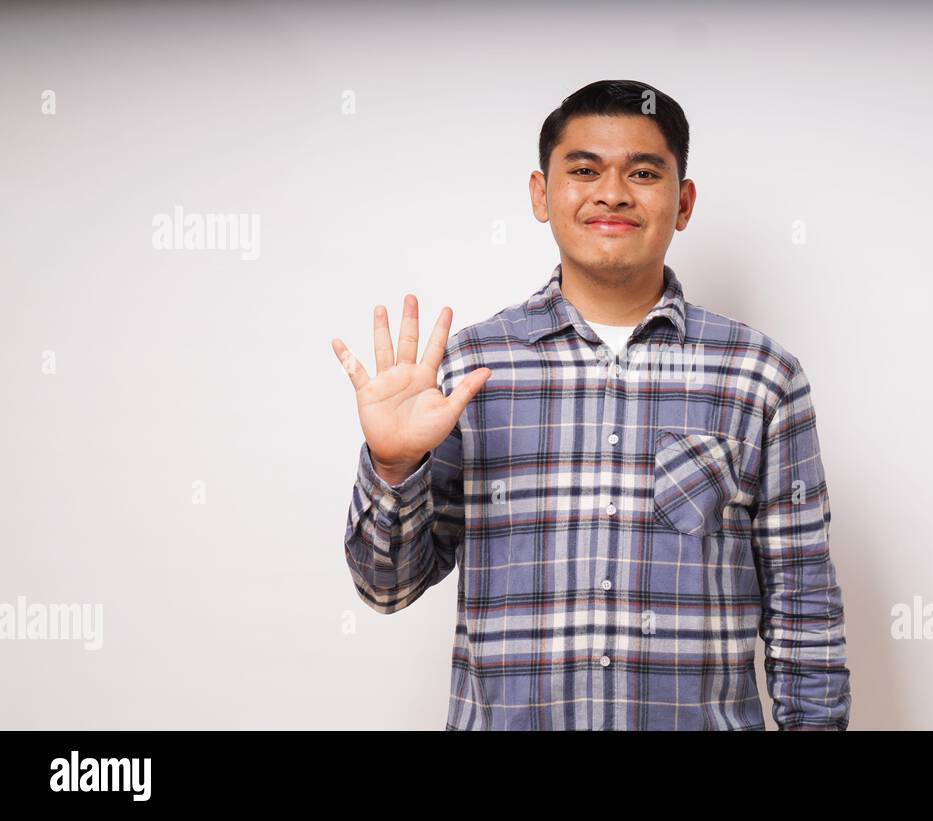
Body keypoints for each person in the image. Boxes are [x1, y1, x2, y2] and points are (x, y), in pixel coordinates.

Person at [330, 79, 850, 730]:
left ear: (683, 201)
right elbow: (386, 586)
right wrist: (393, 463)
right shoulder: (467, 372)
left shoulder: (761, 377)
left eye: (642, 171)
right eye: (584, 169)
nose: (612, 192)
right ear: (541, 195)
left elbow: (803, 608)